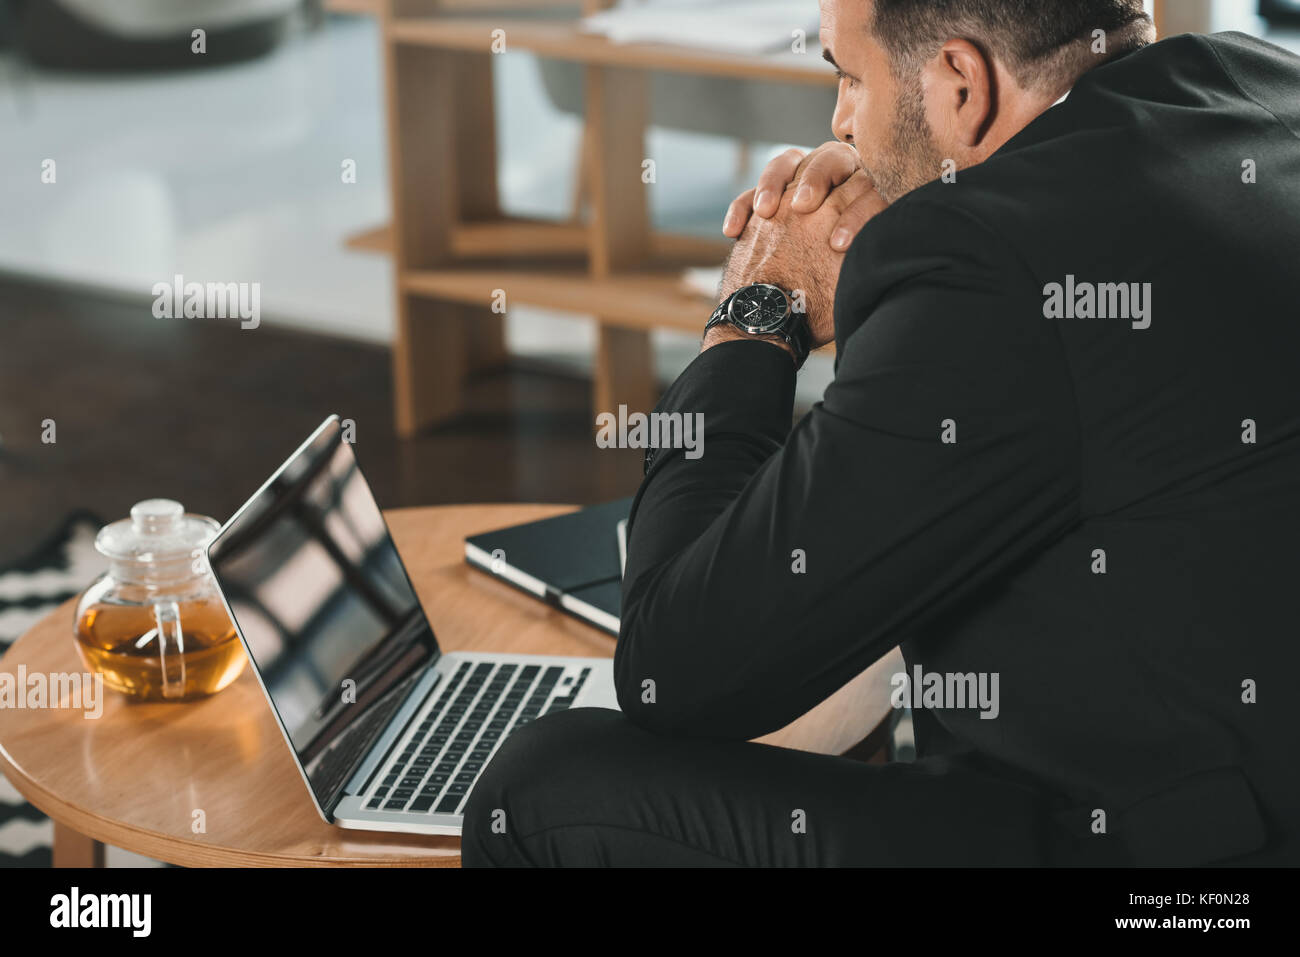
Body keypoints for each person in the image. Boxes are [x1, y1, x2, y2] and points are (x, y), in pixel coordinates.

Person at [463, 0, 1300, 866]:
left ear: (962, 84)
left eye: (848, 76)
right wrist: (905, 252)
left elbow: (669, 673)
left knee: (539, 789)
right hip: (1243, 752)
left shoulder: (993, 263)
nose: (840, 120)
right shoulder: (1260, 83)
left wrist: (757, 314)